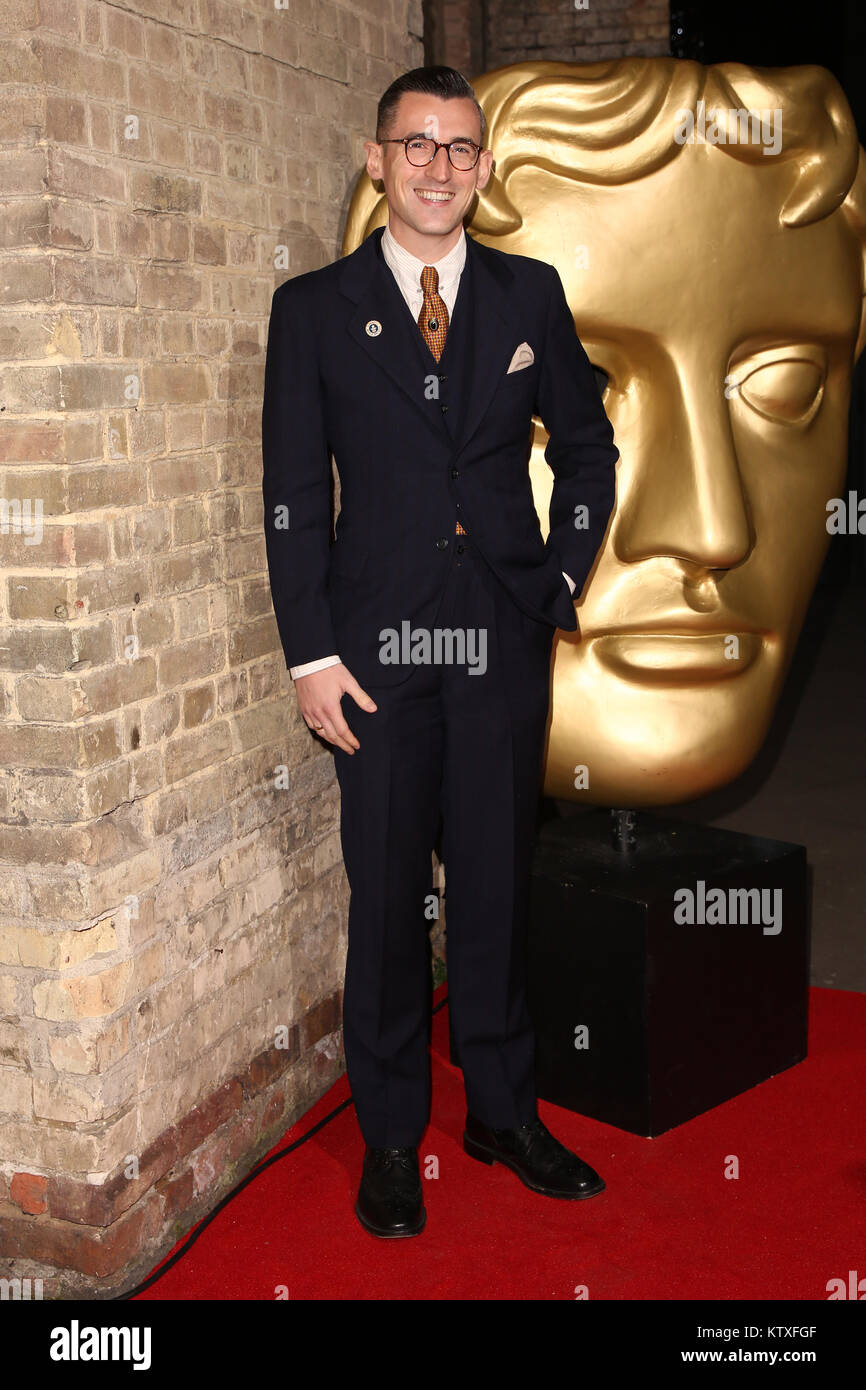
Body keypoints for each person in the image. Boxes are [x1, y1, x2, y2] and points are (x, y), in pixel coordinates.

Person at [261, 65, 619, 1238]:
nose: (437, 165)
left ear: (480, 167)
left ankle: (502, 1111)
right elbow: (291, 497)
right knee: (383, 907)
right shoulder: (312, 309)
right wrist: (308, 652)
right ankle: (385, 1138)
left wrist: (562, 574)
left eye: (460, 148)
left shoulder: (528, 294)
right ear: (378, 160)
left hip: (500, 644)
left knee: (495, 883)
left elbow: (583, 446)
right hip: (373, 653)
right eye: (415, 144)